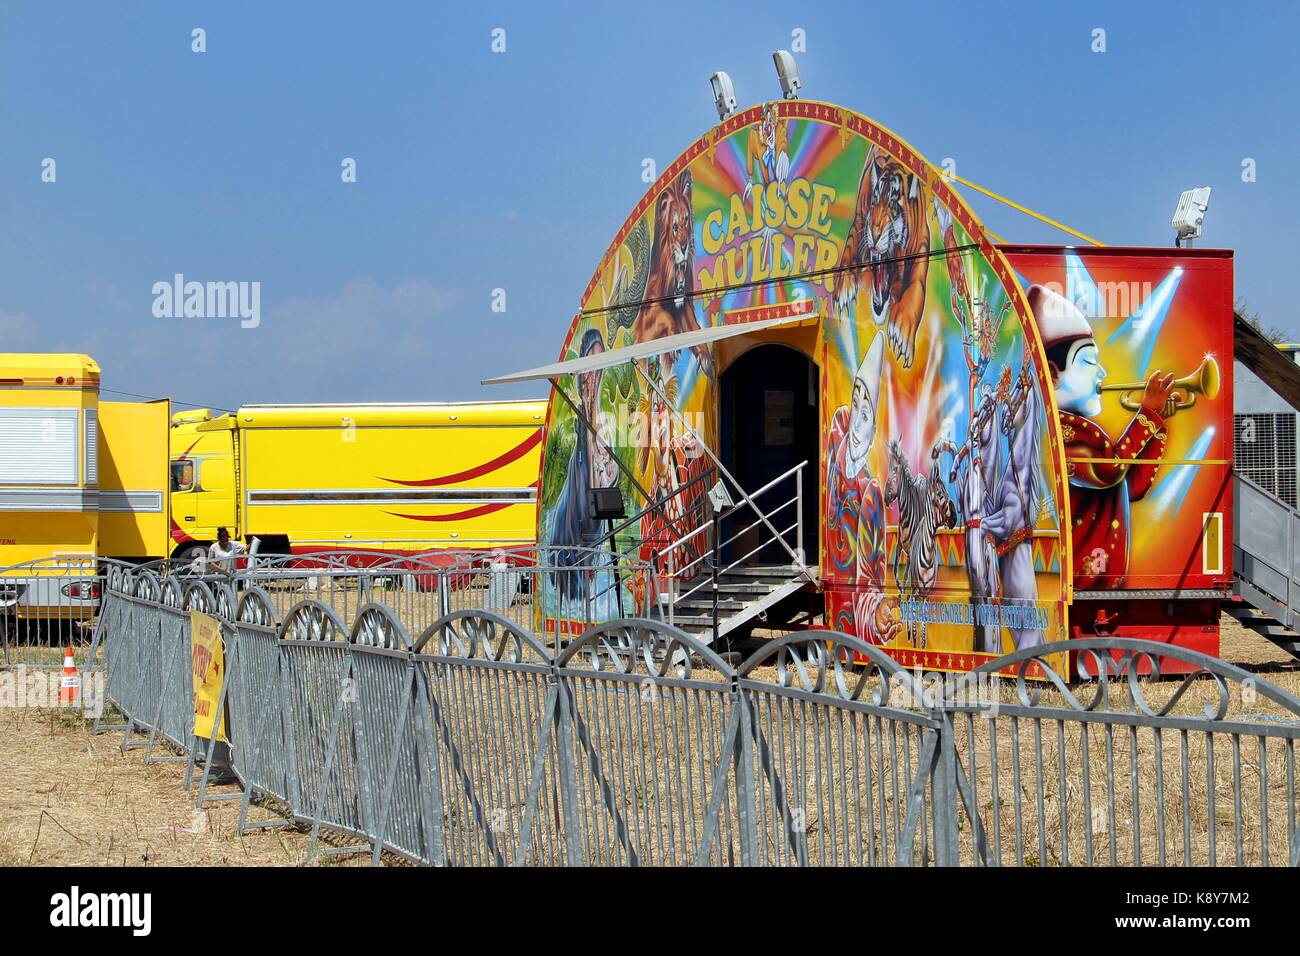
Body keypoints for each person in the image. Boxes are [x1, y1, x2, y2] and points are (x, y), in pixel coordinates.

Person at [1030, 284, 1176, 589]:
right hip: (1080, 579)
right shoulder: (1059, 431)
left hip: (1102, 579)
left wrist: (1157, 424)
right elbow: (1107, 470)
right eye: (1089, 362)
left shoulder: (1081, 428)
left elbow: (1131, 487)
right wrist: (1146, 416)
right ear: (1053, 373)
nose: (1103, 374)